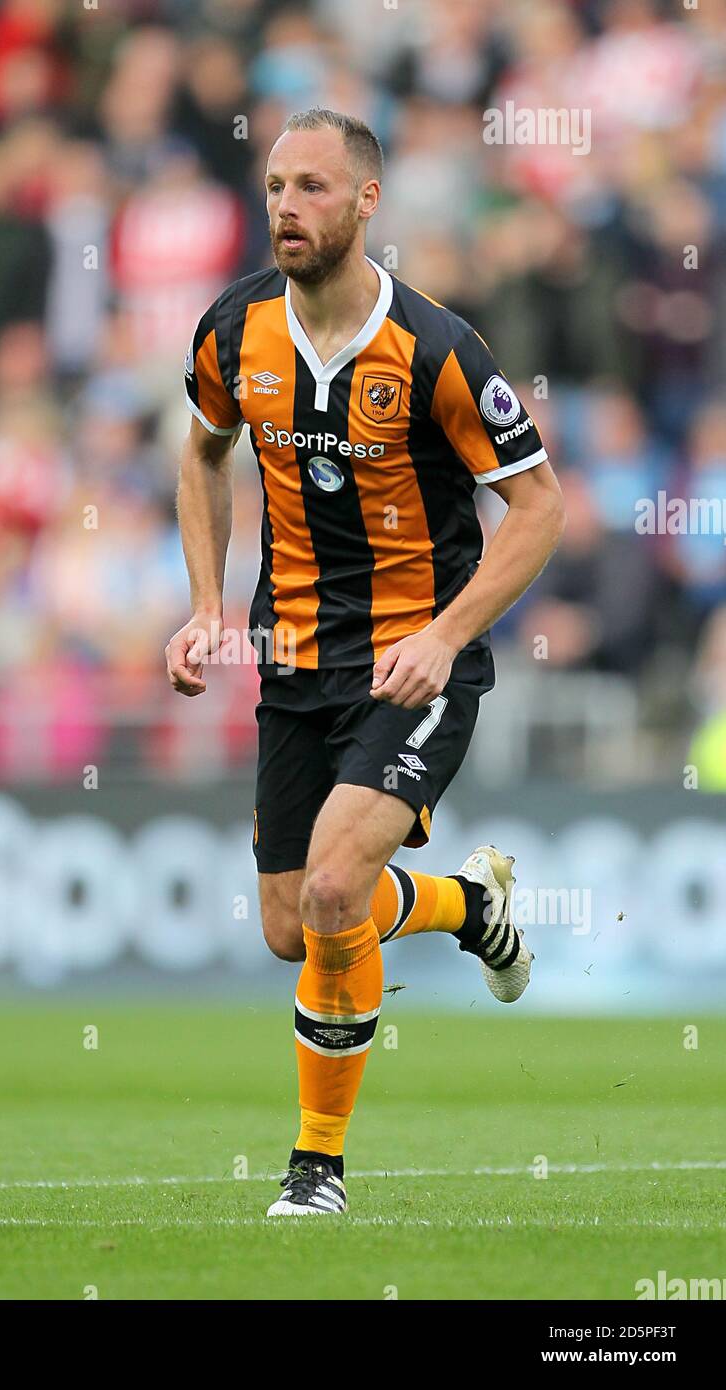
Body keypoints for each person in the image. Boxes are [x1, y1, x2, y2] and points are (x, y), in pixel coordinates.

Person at [166, 108, 565, 1217]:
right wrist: (205, 603)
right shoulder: (231, 331)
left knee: (338, 888)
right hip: (290, 659)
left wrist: (444, 636)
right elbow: (199, 451)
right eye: (274, 184)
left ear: (365, 203)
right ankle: (463, 906)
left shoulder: (437, 347)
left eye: (310, 187)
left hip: (414, 665)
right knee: (292, 925)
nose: (285, 206)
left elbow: (536, 507)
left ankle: (316, 1168)